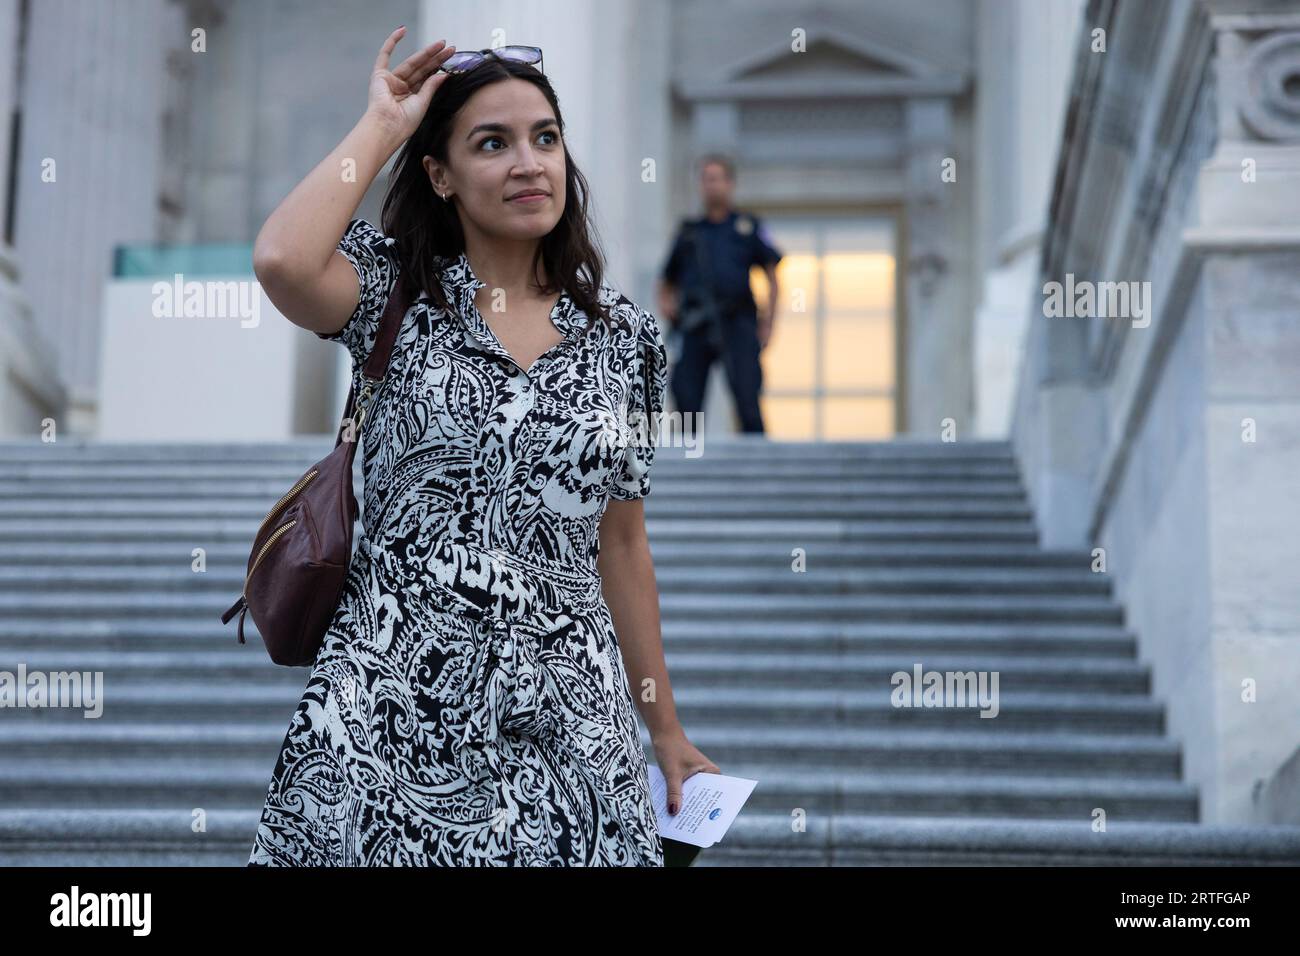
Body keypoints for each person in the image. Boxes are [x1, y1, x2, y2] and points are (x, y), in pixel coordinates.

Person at [246, 28, 718, 866]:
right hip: (390, 717)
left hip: (570, 727)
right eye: (491, 144)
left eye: (545, 138)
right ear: (441, 176)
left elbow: (622, 543)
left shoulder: (628, 341)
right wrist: (384, 126)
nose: (529, 163)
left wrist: (668, 730)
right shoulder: (391, 293)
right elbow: (283, 258)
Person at [657, 154, 783, 436]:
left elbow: (773, 276)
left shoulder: (748, 227)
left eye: (717, 179)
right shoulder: (689, 232)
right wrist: (669, 308)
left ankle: (758, 465)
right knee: (685, 401)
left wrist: (768, 323)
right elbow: (666, 280)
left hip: (737, 321)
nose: (711, 185)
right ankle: (686, 468)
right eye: (706, 179)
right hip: (695, 323)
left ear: (730, 183)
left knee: (748, 397)